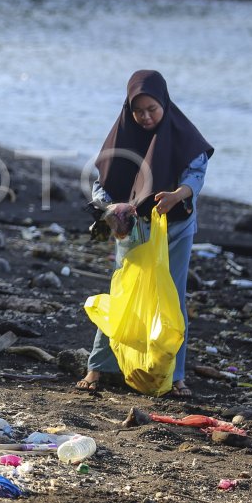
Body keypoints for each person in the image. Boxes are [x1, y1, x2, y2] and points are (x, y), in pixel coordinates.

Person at [76, 70, 213, 398]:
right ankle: (98, 368)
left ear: (164, 103)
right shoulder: (122, 136)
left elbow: (196, 172)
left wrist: (177, 195)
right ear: (129, 109)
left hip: (175, 227)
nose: (146, 116)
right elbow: (102, 184)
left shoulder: (183, 134)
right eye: (138, 111)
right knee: (123, 293)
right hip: (134, 230)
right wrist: (111, 208)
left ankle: (174, 375)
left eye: (152, 109)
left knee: (172, 298)